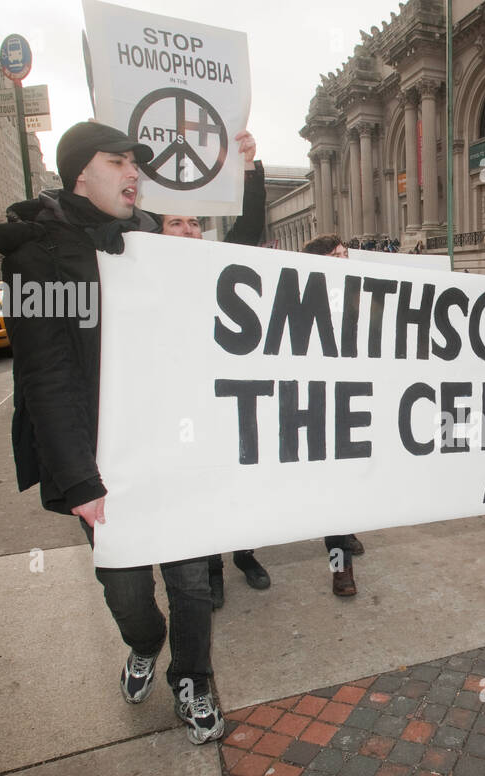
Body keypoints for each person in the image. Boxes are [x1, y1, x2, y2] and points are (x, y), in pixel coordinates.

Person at [0, 121, 225, 744]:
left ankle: (192, 678)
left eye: (137, 163)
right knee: (127, 588)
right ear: (81, 170)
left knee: (190, 579)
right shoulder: (34, 258)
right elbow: (45, 378)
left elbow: (245, 284)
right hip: (99, 461)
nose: (134, 173)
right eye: (118, 162)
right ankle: (145, 643)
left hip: (171, 447)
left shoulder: (151, 241)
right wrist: (79, 478)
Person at [155, 131, 273, 605]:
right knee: (198, 489)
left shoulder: (215, 264)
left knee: (235, 482)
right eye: (175, 222)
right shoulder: (140, 274)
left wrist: (249, 170)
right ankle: (211, 572)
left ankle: (244, 554)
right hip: (179, 408)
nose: (187, 230)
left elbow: (248, 230)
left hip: (227, 398)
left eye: (193, 222)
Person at [300, 233, 368, 596]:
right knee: (333, 494)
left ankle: (347, 529)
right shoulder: (303, 299)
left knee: (351, 484)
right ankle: (340, 568)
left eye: (345, 254)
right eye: (334, 255)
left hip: (355, 405)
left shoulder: (360, 295)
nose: (343, 260)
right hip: (319, 409)